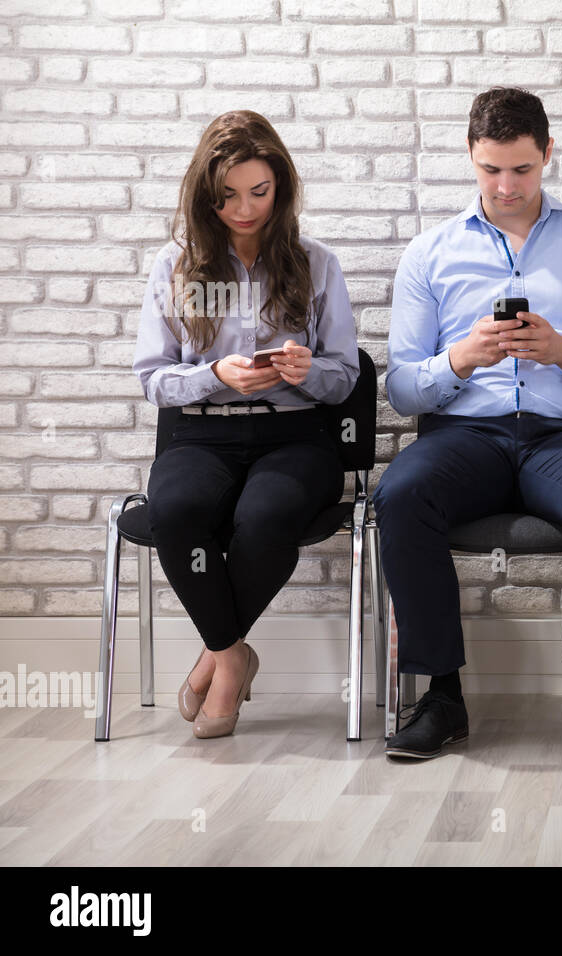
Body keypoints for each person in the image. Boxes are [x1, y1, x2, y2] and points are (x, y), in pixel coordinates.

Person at [375, 87, 562, 761]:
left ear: (548, 155)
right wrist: (461, 359)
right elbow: (402, 389)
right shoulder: (429, 253)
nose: (505, 186)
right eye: (490, 169)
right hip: (466, 436)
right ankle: (441, 694)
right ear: (471, 158)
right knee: (400, 494)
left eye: (522, 169)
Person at [133, 110, 360, 739]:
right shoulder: (174, 265)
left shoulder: (317, 263)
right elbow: (153, 379)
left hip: (296, 438)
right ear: (205, 195)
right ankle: (233, 653)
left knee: (263, 519)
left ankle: (218, 657)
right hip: (200, 434)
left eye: (259, 192)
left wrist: (304, 371)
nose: (244, 208)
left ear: (281, 188)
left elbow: (346, 377)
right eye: (228, 195)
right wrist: (216, 376)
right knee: (175, 512)